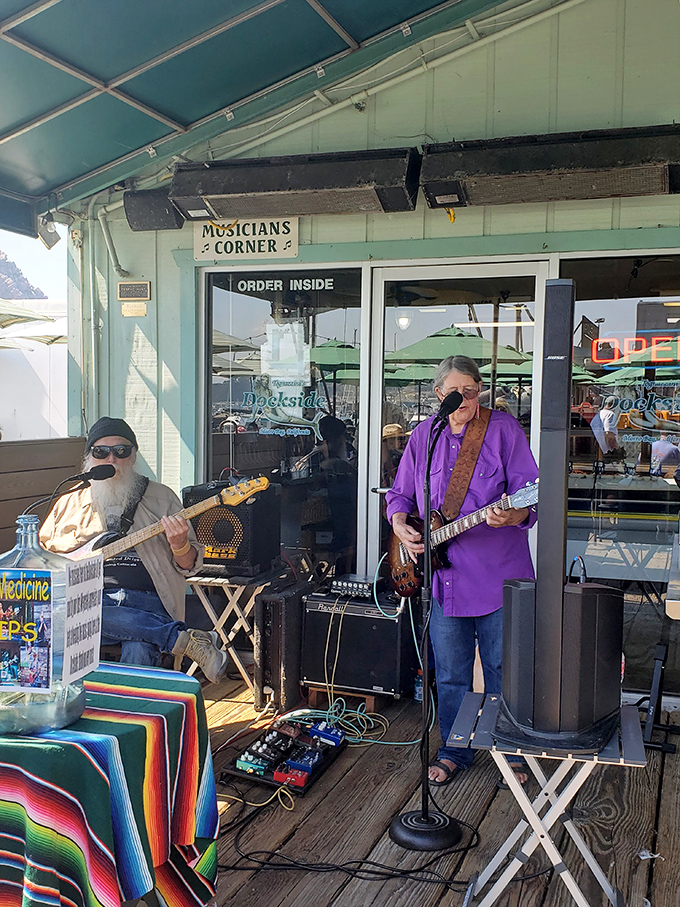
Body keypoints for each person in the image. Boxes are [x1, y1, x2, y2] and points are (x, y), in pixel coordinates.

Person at [386, 356, 538, 787]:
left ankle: (512, 747)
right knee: (450, 672)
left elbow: (531, 492)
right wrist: (399, 522)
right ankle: (456, 747)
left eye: (472, 391)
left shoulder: (504, 429)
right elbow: (399, 496)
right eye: (457, 392)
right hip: (442, 580)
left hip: (498, 576)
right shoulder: (424, 435)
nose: (466, 399)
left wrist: (517, 514)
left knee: (504, 669)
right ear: (440, 394)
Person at [40, 417, 227, 682]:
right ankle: (183, 639)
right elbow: (43, 559)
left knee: (139, 647)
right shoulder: (68, 502)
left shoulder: (162, 498)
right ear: (89, 458)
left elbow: (188, 565)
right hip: (91, 600)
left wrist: (179, 544)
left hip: (149, 601)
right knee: (67, 622)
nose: (111, 459)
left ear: (133, 455)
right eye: (101, 452)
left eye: (121, 451)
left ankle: (134, 719)